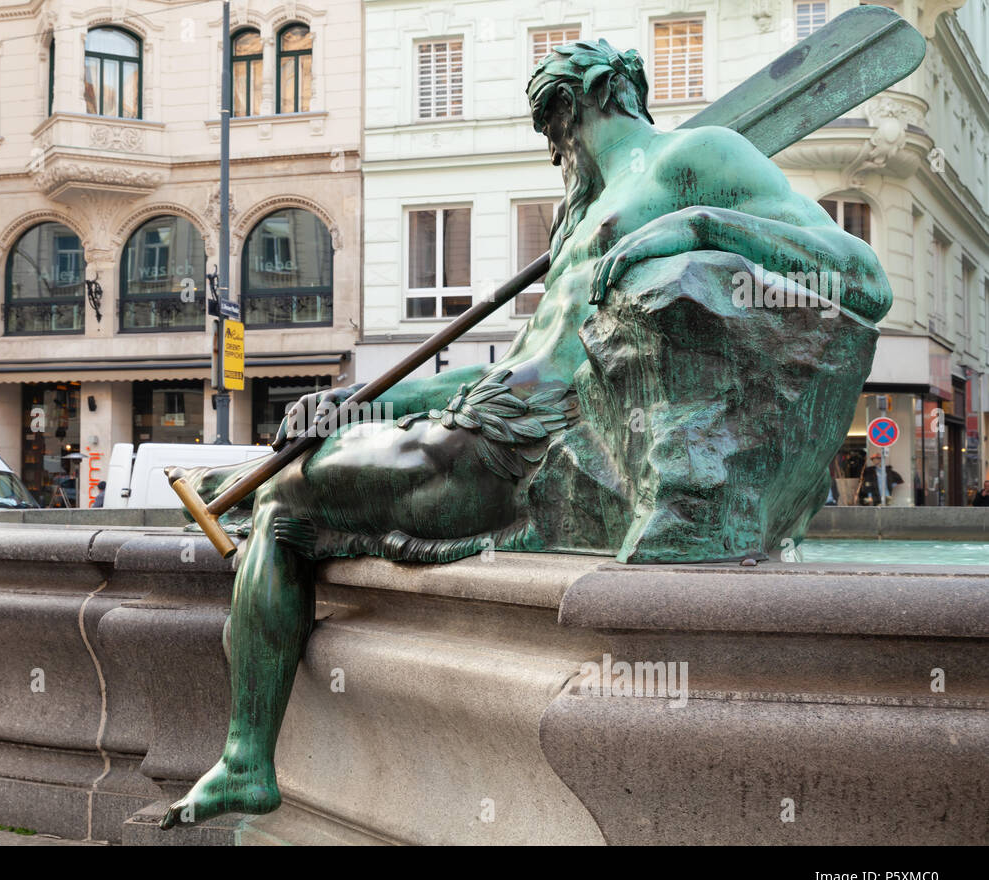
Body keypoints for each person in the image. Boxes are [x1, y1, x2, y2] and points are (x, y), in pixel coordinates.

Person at [159, 38, 892, 829]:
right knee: (283, 502)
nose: (561, 149)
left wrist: (703, 226)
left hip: (530, 444)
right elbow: (514, 363)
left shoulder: (699, 156)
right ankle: (244, 759)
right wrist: (361, 400)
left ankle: (245, 759)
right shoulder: (578, 222)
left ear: (597, 98)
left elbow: (861, 275)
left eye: (559, 126)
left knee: (288, 497)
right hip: (495, 414)